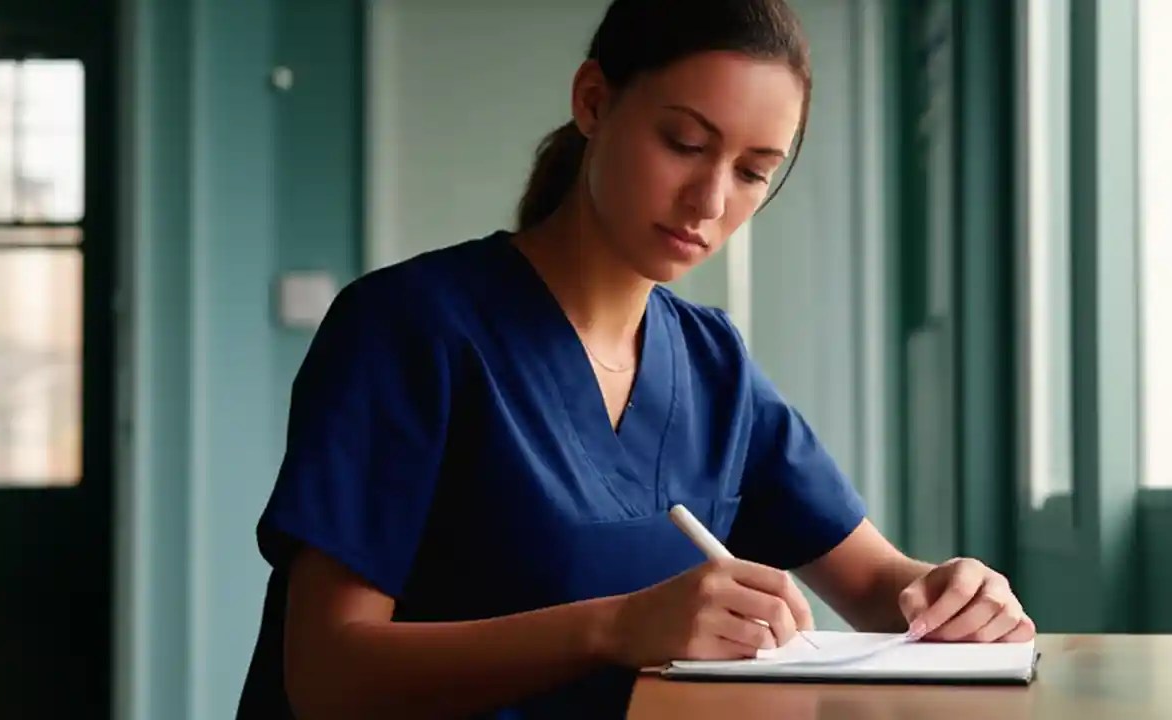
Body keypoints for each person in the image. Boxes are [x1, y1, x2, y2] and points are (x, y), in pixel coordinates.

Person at [236, 0, 1035, 717]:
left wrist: (950, 594)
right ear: (594, 102)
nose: (712, 202)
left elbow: (872, 583)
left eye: (755, 172)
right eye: (685, 143)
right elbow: (327, 676)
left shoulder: (711, 363)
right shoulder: (409, 329)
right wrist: (617, 627)